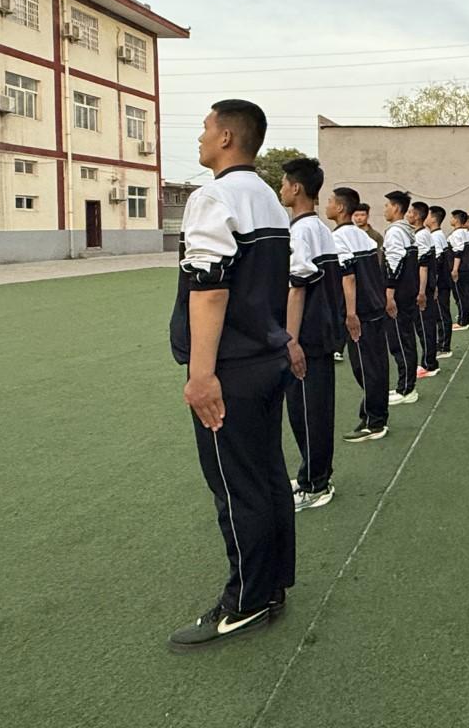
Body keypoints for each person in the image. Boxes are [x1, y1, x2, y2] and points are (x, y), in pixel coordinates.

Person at [167, 99, 294, 651]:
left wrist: (201, 375)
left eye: (204, 127)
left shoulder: (214, 196)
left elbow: (210, 288)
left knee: (237, 486)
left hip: (232, 368)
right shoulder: (268, 198)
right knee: (267, 476)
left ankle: (245, 600)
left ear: (225, 138)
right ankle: (272, 584)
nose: (199, 137)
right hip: (266, 360)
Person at [278, 157, 345, 512]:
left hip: (307, 338)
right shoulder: (318, 228)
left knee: (307, 413)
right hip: (320, 335)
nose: (281, 189)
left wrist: (291, 341)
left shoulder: (302, 231)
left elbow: (297, 288)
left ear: (297, 188)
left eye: (284, 183)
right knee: (312, 411)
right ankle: (312, 474)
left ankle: (316, 483)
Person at [329, 188, 389, 443]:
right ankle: (373, 416)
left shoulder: (340, 237)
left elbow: (349, 278)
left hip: (361, 312)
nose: (327, 205)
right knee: (375, 365)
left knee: (365, 368)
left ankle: (375, 422)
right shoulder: (362, 236)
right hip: (374, 308)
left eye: (330, 201)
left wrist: (351, 314)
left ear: (341, 208)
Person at [382, 191, 420, 405]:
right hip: (408, 291)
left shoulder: (396, 231)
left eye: (387, 205)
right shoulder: (407, 231)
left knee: (400, 340)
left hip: (399, 294)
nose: (385, 209)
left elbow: (394, 262)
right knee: (405, 338)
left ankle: (406, 389)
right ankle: (406, 384)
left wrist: (389, 293)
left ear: (396, 208)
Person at [412, 200, 441, 380]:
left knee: (424, 326)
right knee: (426, 326)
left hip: (423, 289)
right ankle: (429, 361)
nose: (408, 215)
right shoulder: (425, 234)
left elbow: (423, 266)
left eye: (410, 212)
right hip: (428, 286)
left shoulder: (421, 235)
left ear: (416, 216)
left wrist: (422, 291)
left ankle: (429, 363)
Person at [427, 205, 454, 360]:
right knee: (441, 313)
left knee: (441, 314)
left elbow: (437, 262)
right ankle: (442, 343)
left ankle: (444, 346)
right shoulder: (437, 235)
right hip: (442, 282)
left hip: (440, 283)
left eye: (427, 215)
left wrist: (434, 284)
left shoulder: (436, 236)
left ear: (433, 219)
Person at [449, 210, 469, 330]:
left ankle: (463, 322)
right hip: (466, 267)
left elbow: (458, 252)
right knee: (465, 293)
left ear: (456, 220)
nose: (451, 220)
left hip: (460, 268)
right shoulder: (465, 232)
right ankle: (465, 316)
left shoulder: (457, 234)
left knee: (459, 294)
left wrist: (455, 269)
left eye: (452, 217)